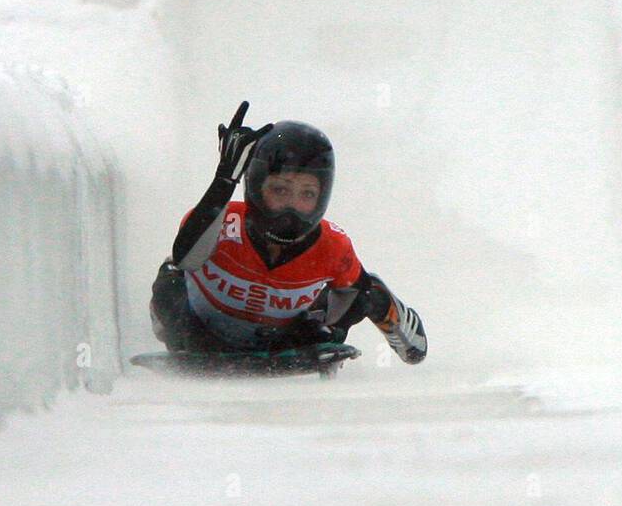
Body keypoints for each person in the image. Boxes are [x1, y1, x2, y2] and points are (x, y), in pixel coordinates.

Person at [150, 103, 428, 364]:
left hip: (281, 339)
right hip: (201, 332)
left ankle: (381, 319)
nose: (291, 208)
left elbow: (358, 297)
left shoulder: (332, 245)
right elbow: (184, 257)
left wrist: (336, 331)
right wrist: (224, 180)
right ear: (257, 187)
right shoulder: (222, 222)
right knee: (169, 280)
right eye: (280, 190)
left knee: (360, 292)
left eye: (306, 194)